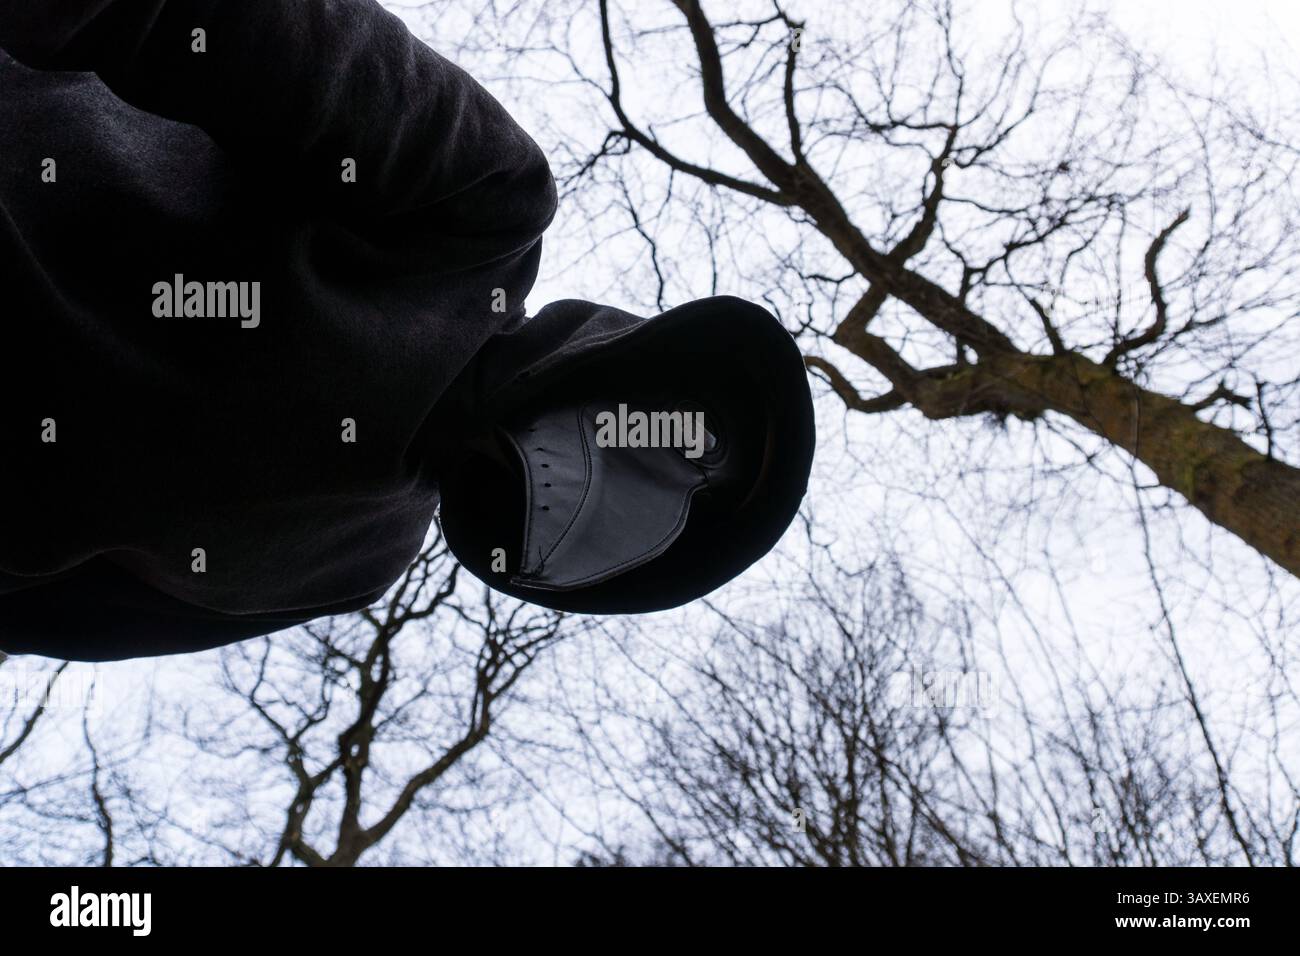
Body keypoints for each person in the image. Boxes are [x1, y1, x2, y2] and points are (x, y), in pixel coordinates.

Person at [0, 0, 815, 662]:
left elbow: (36, 617)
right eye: (692, 436)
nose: (659, 467)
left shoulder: (354, 565)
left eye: (683, 500)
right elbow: (202, 22)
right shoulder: (483, 214)